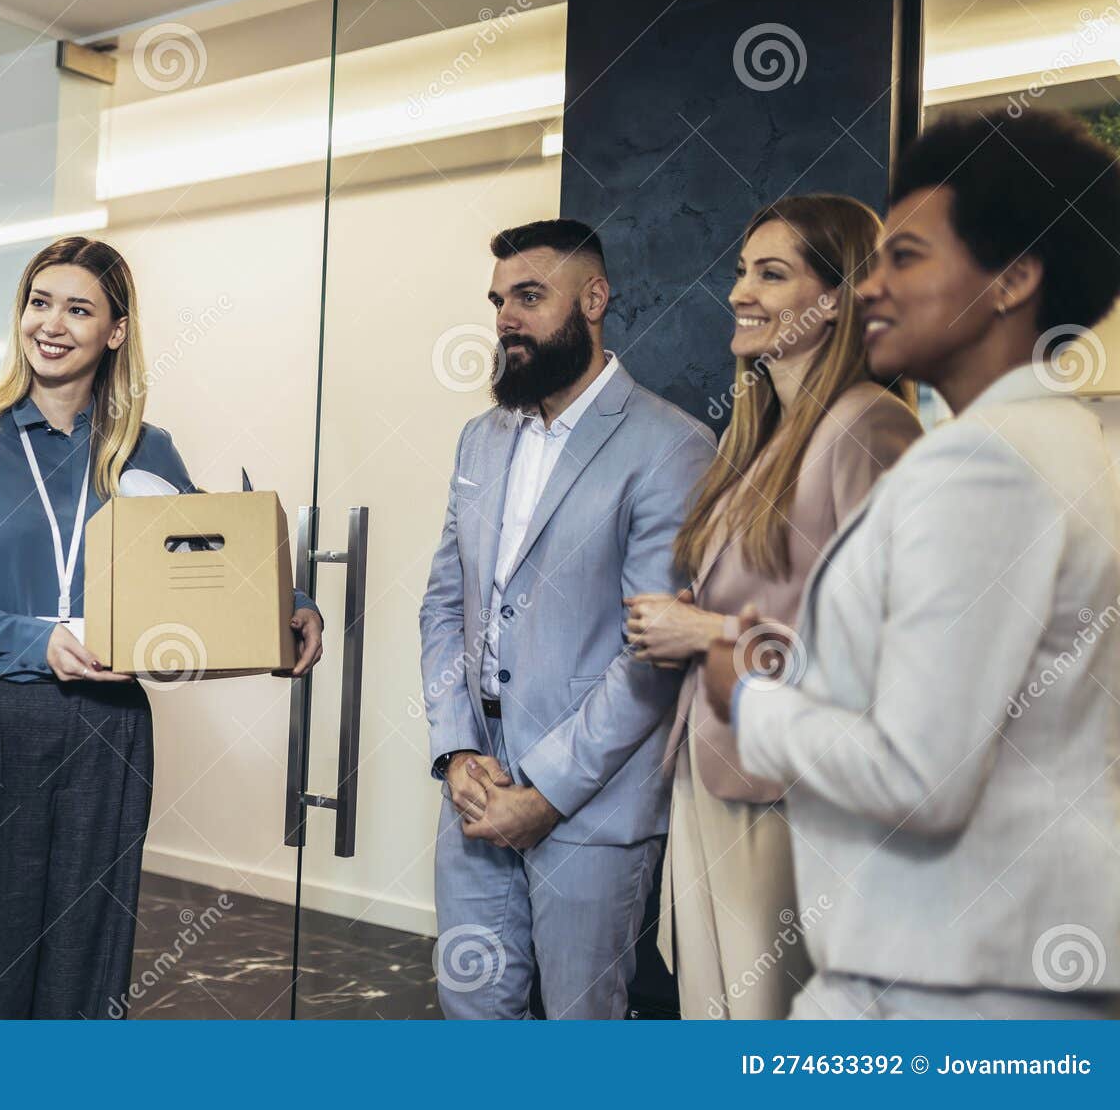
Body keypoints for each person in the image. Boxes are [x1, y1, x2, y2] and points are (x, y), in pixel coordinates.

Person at [703, 109, 1120, 1019]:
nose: (872, 288)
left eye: (907, 258)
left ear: (1013, 281)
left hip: (953, 980)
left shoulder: (984, 463)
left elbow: (917, 777)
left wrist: (750, 694)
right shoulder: (1063, 439)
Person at [0, 236, 324, 1019]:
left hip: (112, 734)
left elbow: (205, 590)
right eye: (39, 302)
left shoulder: (146, 452)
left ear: (115, 332)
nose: (51, 324)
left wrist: (287, 613)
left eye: (78, 308)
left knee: (85, 977)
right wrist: (38, 642)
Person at [624, 195, 920, 1019]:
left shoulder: (870, 426)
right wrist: (701, 612)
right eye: (742, 271)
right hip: (715, 766)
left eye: (771, 273)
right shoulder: (760, 434)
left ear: (837, 299)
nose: (739, 292)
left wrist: (709, 631)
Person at [420, 218, 714, 1019]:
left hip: (592, 802)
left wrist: (544, 792)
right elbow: (445, 604)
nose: (506, 318)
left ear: (593, 298)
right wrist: (453, 753)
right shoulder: (479, 440)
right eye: (498, 301)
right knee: (471, 1015)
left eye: (529, 296)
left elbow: (652, 652)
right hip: (474, 788)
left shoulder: (672, 446)